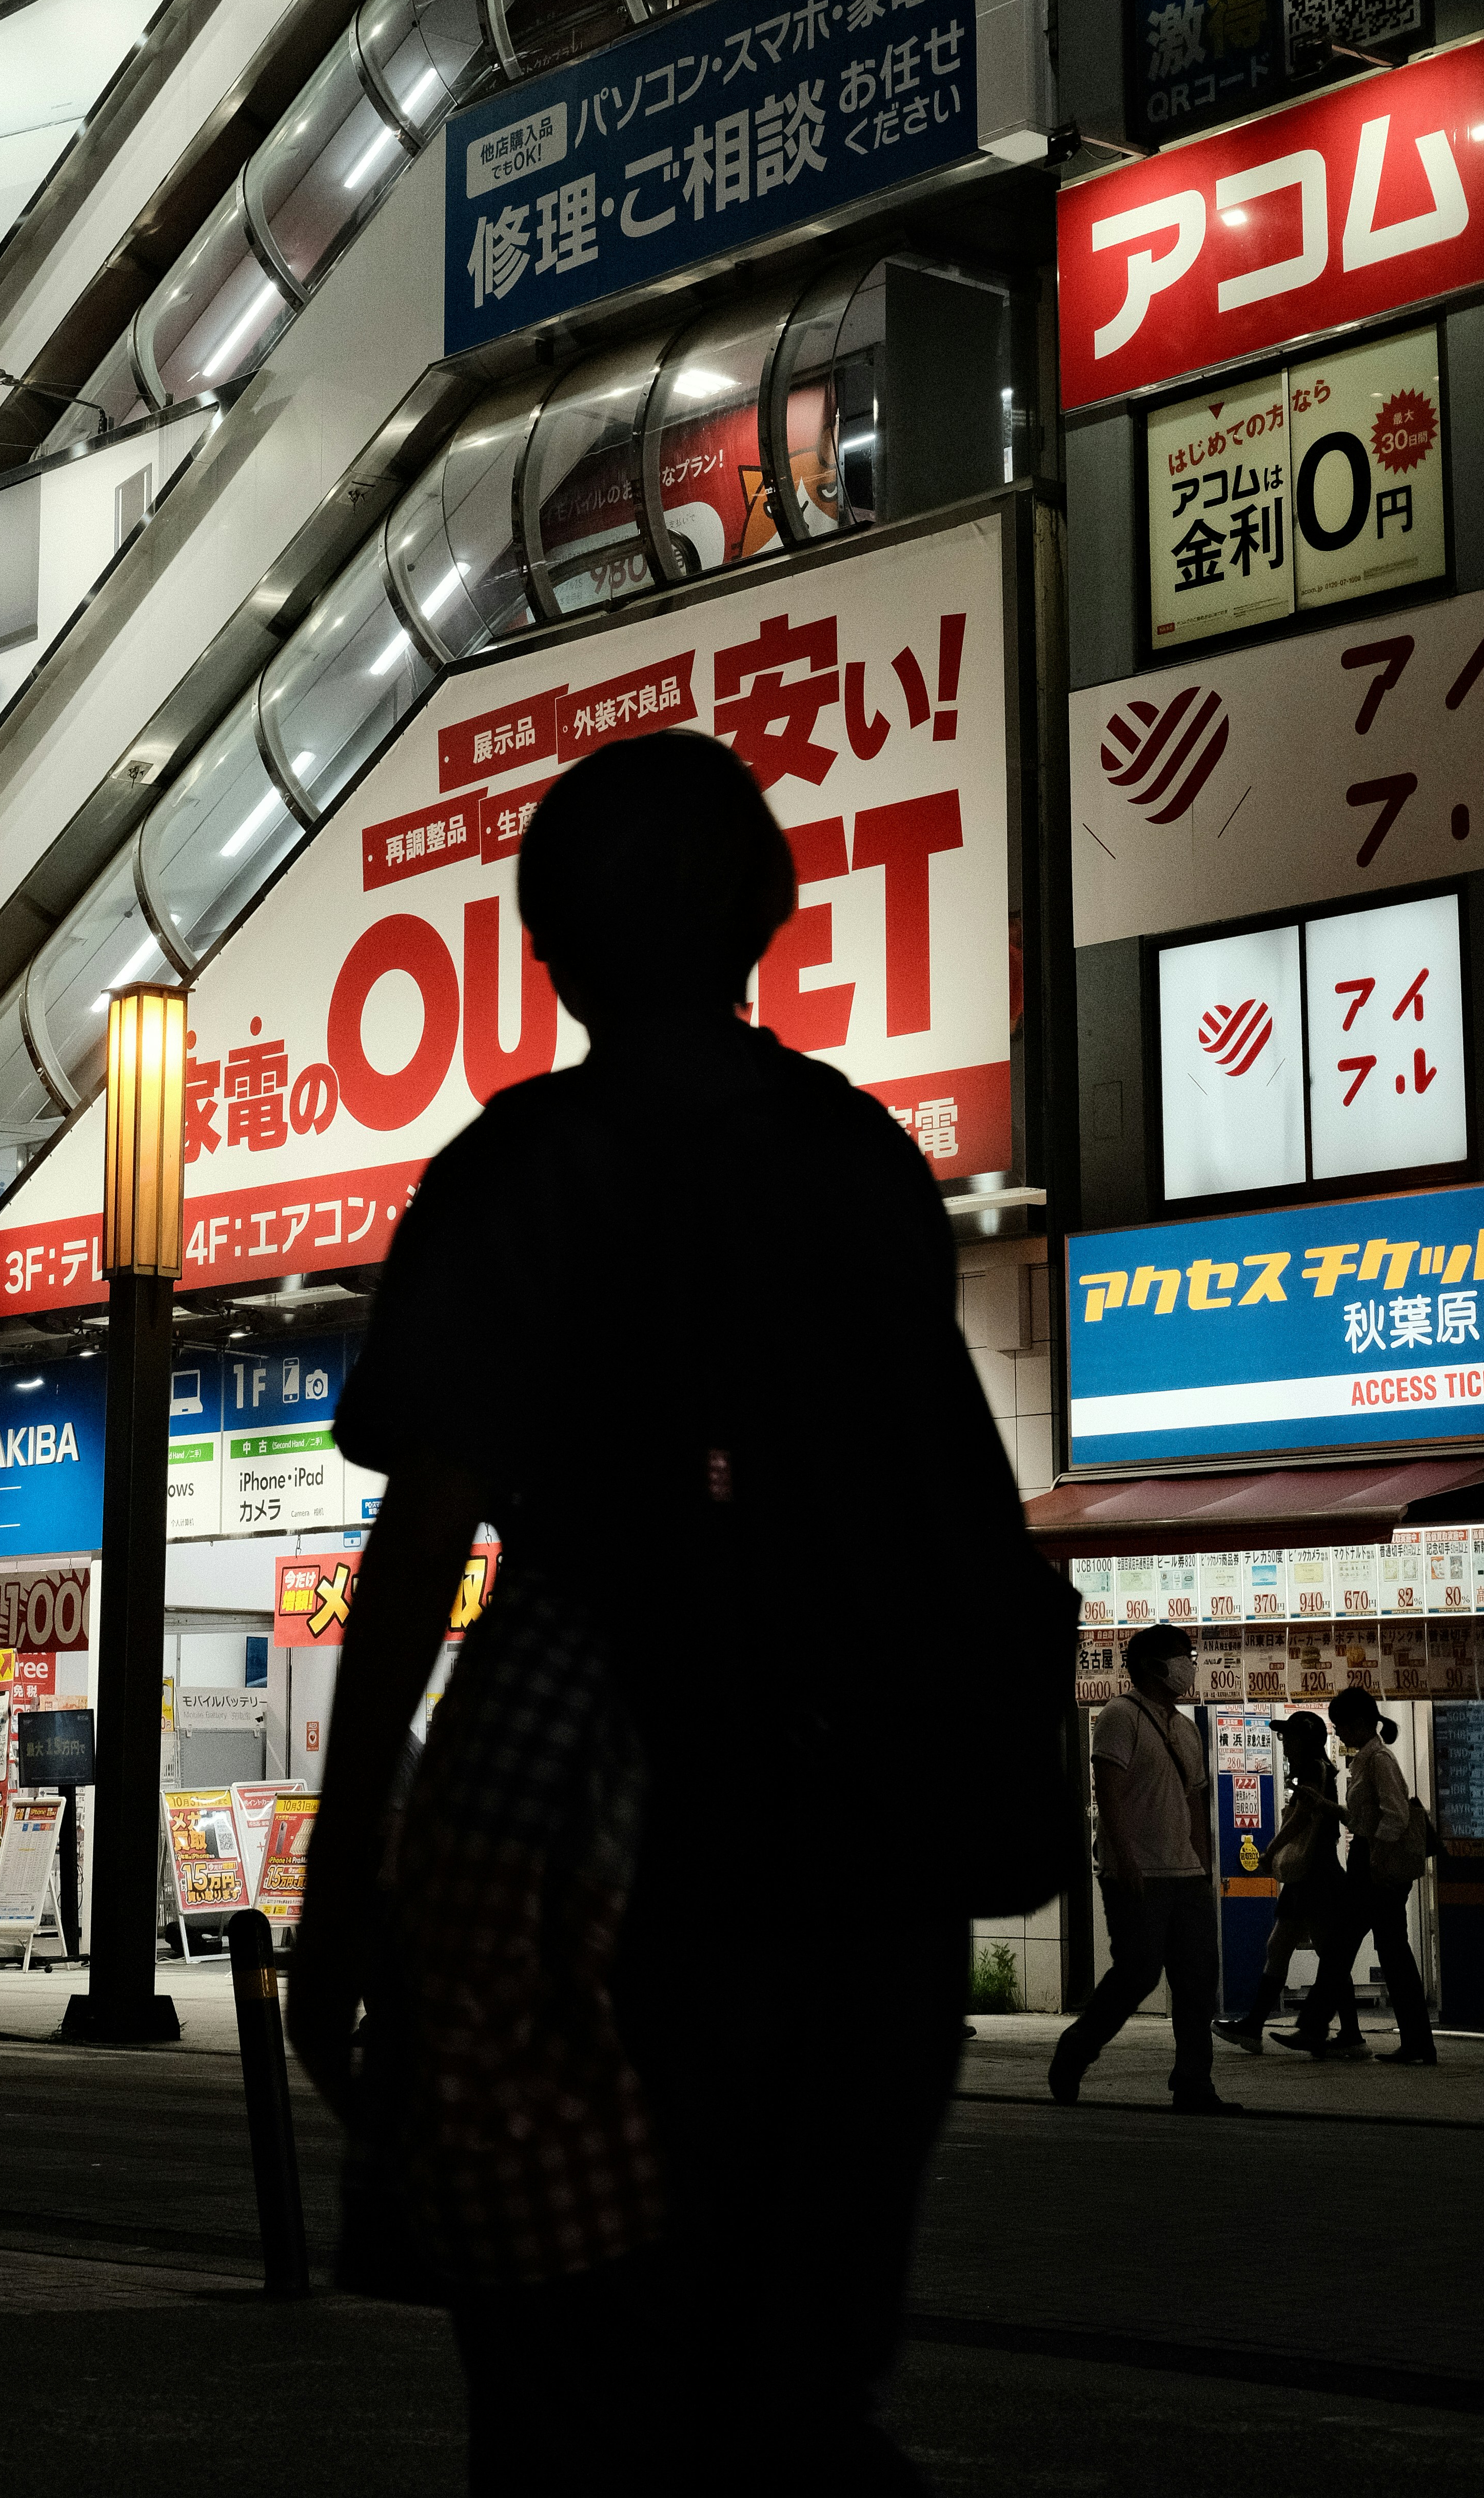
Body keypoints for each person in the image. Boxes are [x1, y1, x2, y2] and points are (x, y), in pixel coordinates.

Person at [287, 731, 1071, 2491]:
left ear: (550, 941)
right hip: (863, 1837)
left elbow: (422, 1540)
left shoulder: (523, 1168)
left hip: (592, 1836)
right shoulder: (855, 1158)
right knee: (801, 2383)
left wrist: (354, 1886)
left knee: (576, 2385)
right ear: (765, 929)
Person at [1048, 1622, 1239, 2115]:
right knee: (1137, 1974)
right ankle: (1076, 2049)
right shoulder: (1119, 1716)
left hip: (1186, 1876)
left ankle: (1194, 2085)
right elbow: (1107, 1792)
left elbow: (1195, 1799)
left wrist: (1202, 1863)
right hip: (1138, 1875)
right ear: (1154, 1665)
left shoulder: (1184, 1727)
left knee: (1197, 1984)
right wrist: (1124, 1856)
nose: (1189, 1666)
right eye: (1182, 1656)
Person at [1295, 1689, 1437, 2068]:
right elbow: (1365, 1819)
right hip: (1368, 1864)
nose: (1338, 1734)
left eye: (1341, 1726)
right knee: (1357, 1949)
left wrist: (1376, 1858)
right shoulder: (1367, 1760)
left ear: (1359, 1724)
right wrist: (1328, 1808)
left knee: (1384, 1953)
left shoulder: (1380, 1761)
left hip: (1377, 1869)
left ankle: (1416, 2043)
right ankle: (1314, 2027)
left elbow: (1396, 1816)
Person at [1211, 1712, 1358, 2055]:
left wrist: (1271, 1850)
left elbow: (1303, 1817)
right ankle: (1257, 2026)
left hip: (1315, 1876)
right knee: (1290, 1949)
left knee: (1322, 1954)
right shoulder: (1320, 1770)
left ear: (1304, 1740)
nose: (1285, 1744)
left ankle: (1347, 2035)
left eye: (1289, 1738)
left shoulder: (1313, 1770)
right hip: (1312, 1875)